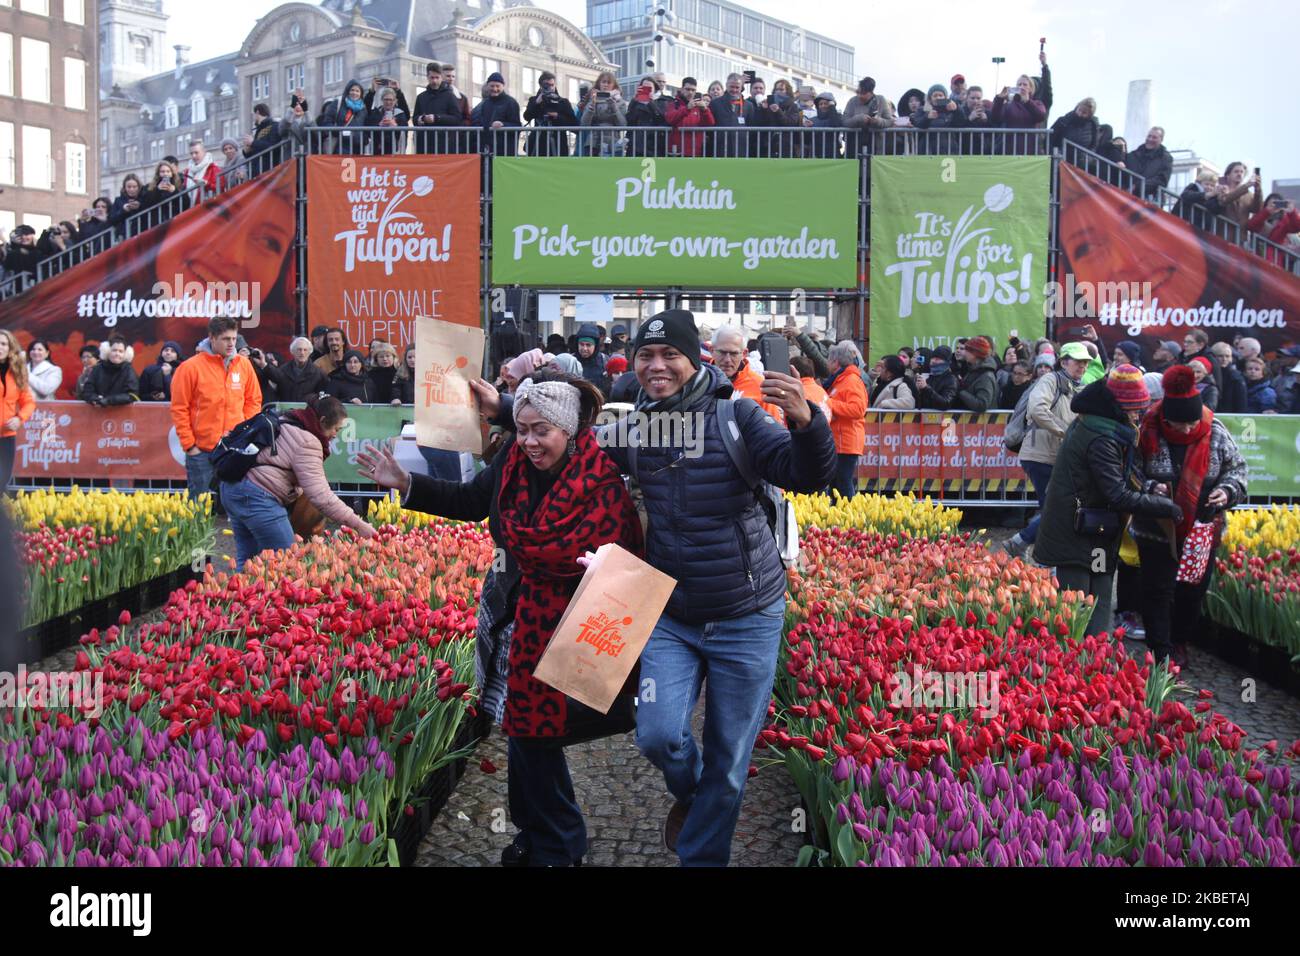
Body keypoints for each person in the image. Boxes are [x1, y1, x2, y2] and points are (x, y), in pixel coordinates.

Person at [357, 369, 644, 868]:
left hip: (577, 616)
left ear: (570, 431)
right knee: (523, 728)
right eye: (524, 429)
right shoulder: (511, 461)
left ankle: (557, 840)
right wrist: (407, 484)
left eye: (542, 431)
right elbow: (472, 503)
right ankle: (540, 834)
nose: (530, 441)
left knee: (540, 733)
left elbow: (624, 559)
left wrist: (601, 565)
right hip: (518, 612)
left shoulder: (599, 480)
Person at [1033, 367, 1182, 636]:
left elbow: (1121, 481)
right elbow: (1117, 493)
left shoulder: (1102, 424)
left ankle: (1095, 656)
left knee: (1099, 594)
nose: (1139, 415)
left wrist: (1148, 488)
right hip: (1078, 532)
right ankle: (1076, 665)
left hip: (1098, 531)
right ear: (1119, 407)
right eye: (1135, 409)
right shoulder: (1101, 436)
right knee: (1078, 607)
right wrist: (1165, 507)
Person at [1131, 366, 1248, 666]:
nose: (1185, 430)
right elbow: (1128, 469)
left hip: (1202, 528)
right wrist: (1148, 485)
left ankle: (1180, 640)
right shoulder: (1148, 428)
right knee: (1157, 589)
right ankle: (1160, 649)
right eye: (1178, 424)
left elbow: (1237, 470)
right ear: (1166, 417)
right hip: (1156, 527)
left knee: (1192, 590)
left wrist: (1227, 491)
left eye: (1191, 423)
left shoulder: (1215, 430)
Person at [222, 396, 376, 570]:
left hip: (233, 488)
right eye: (336, 429)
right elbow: (321, 497)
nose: (335, 435)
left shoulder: (286, 419)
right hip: (259, 498)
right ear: (323, 420)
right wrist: (358, 524)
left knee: (249, 561)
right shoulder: (308, 441)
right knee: (287, 562)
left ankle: (240, 595)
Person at [1002, 341, 1090, 558]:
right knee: (1057, 507)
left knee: (1056, 507)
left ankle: (1023, 544)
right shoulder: (1050, 380)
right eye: (1078, 361)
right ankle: (1039, 554)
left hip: (1059, 456)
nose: (1082, 366)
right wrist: (1066, 433)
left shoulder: (1081, 386)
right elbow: (1038, 410)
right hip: (1040, 456)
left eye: (1085, 362)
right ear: (1063, 362)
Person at [170, 316, 263, 501]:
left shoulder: (243, 365)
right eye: (226, 339)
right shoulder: (190, 367)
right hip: (201, 450)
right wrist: (190, 446)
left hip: (234, 449)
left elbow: (253, 401)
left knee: (236, 505)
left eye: (234, 339)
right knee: (197, 508)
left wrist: (244, 434)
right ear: (212, 338)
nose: (231, 344)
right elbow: (179, 408)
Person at [822, 340, 868, 499]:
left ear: (835, 362)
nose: (827, 363)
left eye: (828, 360)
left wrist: (829, 404)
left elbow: (858, 409)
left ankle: (850, 518)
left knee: (842, 482)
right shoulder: (842, 380)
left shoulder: (851, 381)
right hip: (841, 440)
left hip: (846, 441)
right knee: (837, 483)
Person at [711, 325, 781, 421]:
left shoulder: (760, 386)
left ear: (744, 354)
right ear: (711, 350)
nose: (727, 359)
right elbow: (689, 433)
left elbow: (774, 431)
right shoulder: (696, 382)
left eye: (734, 353)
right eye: (722, 352)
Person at [0, 330, 36, 490]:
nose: (0, 347)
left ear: (10, 348)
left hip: (7, 435)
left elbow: (28, 402)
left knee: (3, 480)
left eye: (3, 344)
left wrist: (19, 418)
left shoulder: (16, 373)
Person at [414, 62, 468, 153]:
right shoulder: (421, 97)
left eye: (437, 77)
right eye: (432, 78)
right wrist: (423, 118)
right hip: (425, 145)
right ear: (427, 77)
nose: (434, 81)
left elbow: (457, 118)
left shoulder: (450, 96)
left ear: (441, 77)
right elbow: (415, 119)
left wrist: (437, 118)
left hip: (445, 145)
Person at [524, 71, 578, 157]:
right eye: (546, 85)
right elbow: (527, 117)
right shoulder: (534, 100)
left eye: (552, 85)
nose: (550, 88)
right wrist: (537, 103)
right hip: (538, 145)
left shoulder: (563, 102)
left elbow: (574, 124)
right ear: (541, 86)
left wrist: (557, 116)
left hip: (558, 144)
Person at [841, 76, 895, 157]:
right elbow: (844, 121)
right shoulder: (852, 101)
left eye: (863, 93)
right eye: (858, 92)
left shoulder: (881, 100)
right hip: (854, 145)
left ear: (871, 92)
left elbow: (889, 121)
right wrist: (858, 119)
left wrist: (877, 121)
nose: (860, 96)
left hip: (875, 145)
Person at [79, 336, 139, 406]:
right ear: (107, 351)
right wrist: (94, 399)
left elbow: (132, 395)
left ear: (126, 354)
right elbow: (87, 391)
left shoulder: (129, 370)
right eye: (114, 350)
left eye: (121, 351)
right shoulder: (97, 369)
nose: (117, 354)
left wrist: (108, 401)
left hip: (122, 414)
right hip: (98, 413)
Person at [472, 72, 522, 156]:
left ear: (503, 86)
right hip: (488, 150)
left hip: (505, 151)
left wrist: (503, 125)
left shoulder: (511, 102)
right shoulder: (485, 103)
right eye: (492, 86)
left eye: (497, 86)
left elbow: (517, 125)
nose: (495, 89)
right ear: (487, 86)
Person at [580, 71, 627, 157]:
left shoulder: (620, 102)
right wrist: (590, 109)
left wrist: (614, 107)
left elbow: (623, 124)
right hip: (593, 141)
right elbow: (584, 124)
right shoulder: (592, 99)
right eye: (603, 82)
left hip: (613, 142)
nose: (606, 85)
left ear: (614, 85)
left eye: (609, 82)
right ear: (599, 84)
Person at [269, 336, 328, 403]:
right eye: (299, 350)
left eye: (305, 350)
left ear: (310, 352)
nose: (302, 353)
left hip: (308, 412)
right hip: (286, 411)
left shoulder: (319, 374)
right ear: (292, 351)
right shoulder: (282, 371)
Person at [666, 77, 714, 157]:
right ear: (681, 89)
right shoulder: (674, 104)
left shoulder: (699, 106)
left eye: (693, 90)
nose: (690, 92)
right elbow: (670, 119)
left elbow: (709, 124)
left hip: (695, 152)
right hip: (677, 152)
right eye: (687, 89)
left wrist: (705, 110)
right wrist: (687, 109)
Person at [709, 74, 755, 158]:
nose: (734, 90)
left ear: (741, 88)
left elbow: (751, 127)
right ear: (726, 86)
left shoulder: (748, 105)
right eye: (731, 87)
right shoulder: (715, 103)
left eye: (737, 87)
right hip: (720, 148)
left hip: (741, 149)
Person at [1247, 194, 1300, 265]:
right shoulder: (1260, 218)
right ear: (1265, 205)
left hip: (1275, 262)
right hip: (1257, 260)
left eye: (1278, 204)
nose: (1274, 206)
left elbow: (1297, 227)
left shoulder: (1284, 222)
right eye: (1272, 204)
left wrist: (1292, 212)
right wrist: (1267, 212)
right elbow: (1251, 226)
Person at [319, 81, 369, 156]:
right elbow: (327, 122)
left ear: (361, 94)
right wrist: (339, 132)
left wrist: (364, 138)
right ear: (347, 91)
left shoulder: (363, 109)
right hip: (340, 146)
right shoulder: (337, 104)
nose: (354, 93)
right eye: (352, 90)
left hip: (358, 148)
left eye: (357, 91)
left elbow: (366, 125)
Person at [951, 336, 999, 412]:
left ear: (976, 353)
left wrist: (960, 391)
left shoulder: (986, 376)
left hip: (983, 423)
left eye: (967, 350)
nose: (965, 353)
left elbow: (982, 405)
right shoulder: (973, 370)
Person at [1124, 127, 1173, 199]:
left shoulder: (1166, 158)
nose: (1150, 139)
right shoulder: (1133, 155)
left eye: (1154, 137)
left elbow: (1162, 180)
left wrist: (1138, 186)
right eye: (1149, 136)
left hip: (1152, 198)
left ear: (1161, 140)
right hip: (1130, 196)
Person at [626, 76, 668, 157]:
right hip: (636, 143)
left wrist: (650, 103)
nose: (647, 90)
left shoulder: (662, 101)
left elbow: (661, 119)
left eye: (649, 88)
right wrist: (634, 101)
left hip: (653, 143)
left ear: (655, 89)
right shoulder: (636, 102)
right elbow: (629, 120)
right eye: (644, 87)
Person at [140, 160, 191, 227]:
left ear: (172, 173)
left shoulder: (179, 186)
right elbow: (146, 203)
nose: (165, 174)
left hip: (175, 222)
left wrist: (174, 191)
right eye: (162, 172)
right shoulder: (150, 187)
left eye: (168, 171)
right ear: (158, 173)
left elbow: (186, 203)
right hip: (157, 224)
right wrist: (157, 190)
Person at [367, 86, 410, 156]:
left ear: (395, 101)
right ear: (382, 100)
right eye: (386, 99)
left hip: (395, 152)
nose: (388, 102)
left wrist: (395, 126)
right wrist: (378, 126)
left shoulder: (400, 114)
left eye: (391, 100)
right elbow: (368, 131)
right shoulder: (375, 113)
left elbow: (405, 131)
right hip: (378, 152)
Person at [241, 103, 282, 173]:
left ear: (257, 112)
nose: (253, 118)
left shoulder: (275, 126)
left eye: (253, 115)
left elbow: (274, 147)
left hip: (269, 171)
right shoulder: (258, 130)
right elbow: (256, 153)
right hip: (257, 172)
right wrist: (247, 151)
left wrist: (253, 142)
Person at [1208, 342, 1246, 413]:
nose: (1224, 359)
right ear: (1213, 357)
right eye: (1220, 356)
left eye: (1227, 356)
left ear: (1231, 358)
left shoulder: (1236, 378)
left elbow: (1241, 406)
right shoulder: (1206, 374)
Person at [574, 325, 610, 395]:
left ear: (595, 346)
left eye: (588, 345)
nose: (584, 348)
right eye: (581, 344)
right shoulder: (570, 361)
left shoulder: (605, 360)